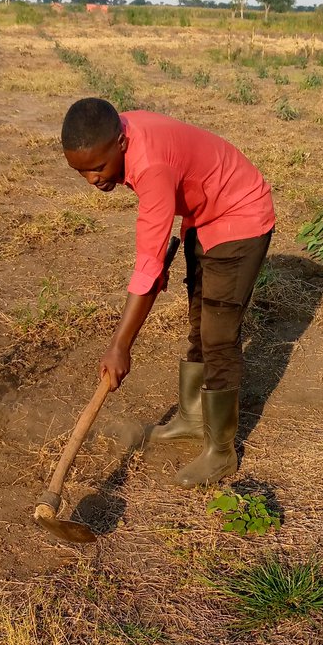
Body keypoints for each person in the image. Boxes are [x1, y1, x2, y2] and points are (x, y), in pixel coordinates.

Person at [61, 97, 275, 488]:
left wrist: (120, 345)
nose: (92, 180)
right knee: (199, 320)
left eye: (97, 167)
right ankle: (192, 419)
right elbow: (152, 263)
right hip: (203, 214)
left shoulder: (151, 166)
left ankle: (221, 452)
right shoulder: (120, 133)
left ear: (121, 143)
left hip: (240, 212)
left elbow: (148, 263)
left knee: (218, 334)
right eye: (81, 172)